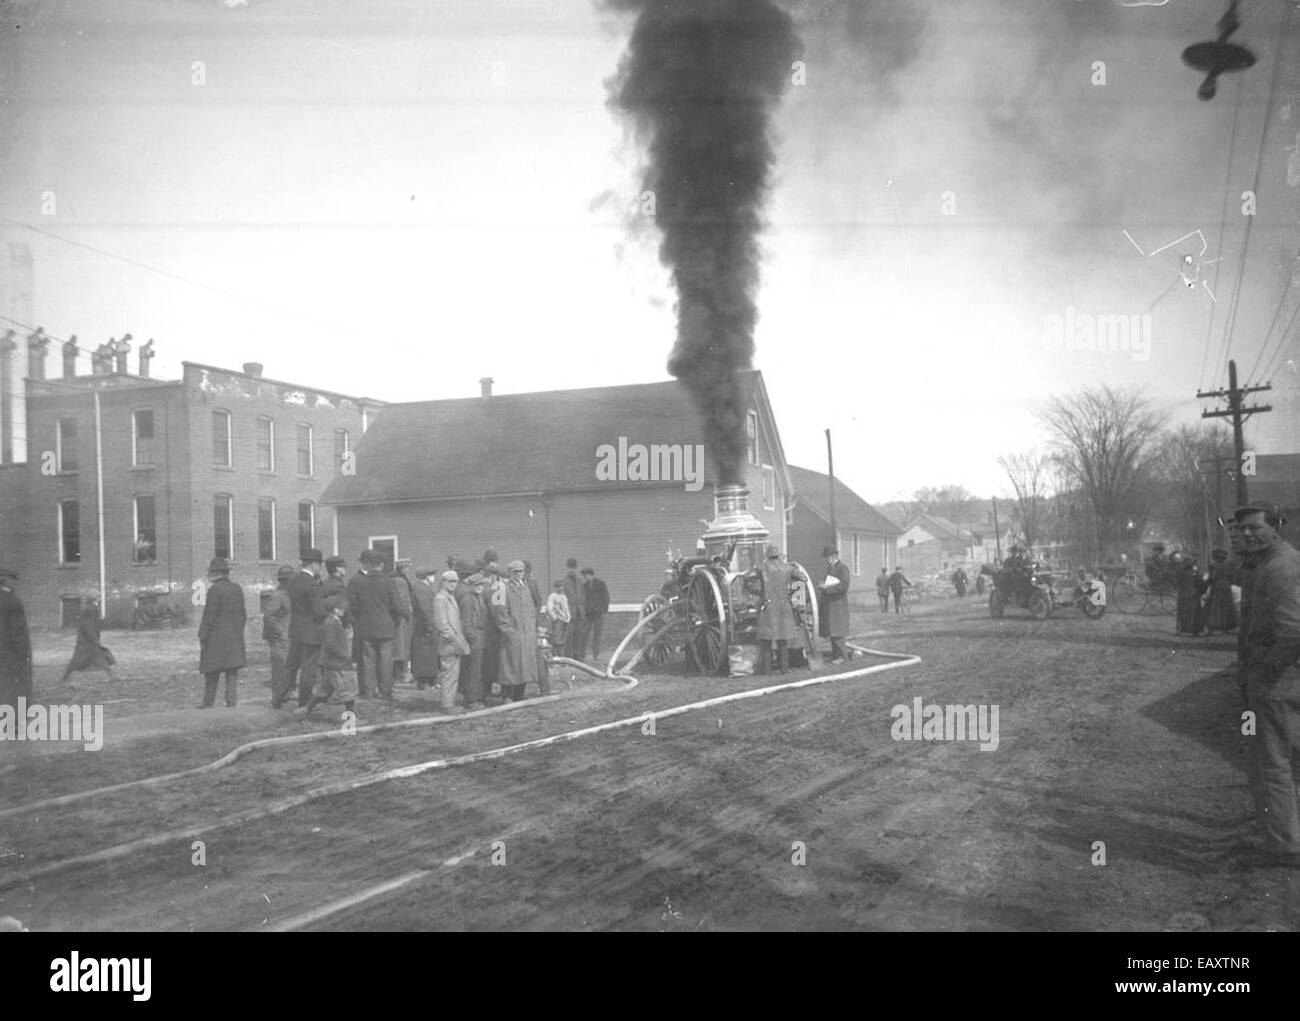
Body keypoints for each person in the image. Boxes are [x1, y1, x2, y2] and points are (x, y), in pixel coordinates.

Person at [1234, 503, 1300, 868]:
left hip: (1276, 684)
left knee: (1272, 763)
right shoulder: (1273, 563)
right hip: (1278, 680)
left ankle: (1284, 844)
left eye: (1255, 527)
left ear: (1276, 527)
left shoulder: (1278, 567)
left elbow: (1292, 631)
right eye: (1242, 529)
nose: (1247, 534)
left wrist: (1266, 668)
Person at [349, 548, 409, 701]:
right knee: (386, 660)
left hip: (366, 627)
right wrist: (403, 616)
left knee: (368, 660)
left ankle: (369, 692)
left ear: (368, 564)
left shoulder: (357, 581)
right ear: (381, 564)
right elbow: (397, 605)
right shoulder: (388, 581)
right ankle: (386, 691)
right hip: (386, 627)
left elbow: (353, 606)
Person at [277, 548, 325, 709]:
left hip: (296, 630)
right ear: (314, 565)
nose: (320, 569)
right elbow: (318, 611)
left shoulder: (293, 581)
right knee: (308, 669)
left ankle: (278, 697)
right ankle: (304, 702)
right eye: (319, 565)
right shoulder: (312, 584)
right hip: (312, 633)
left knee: (290, 666)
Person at [298, 595, 357, 720]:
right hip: (338, 664)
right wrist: (344, 655)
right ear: (335, 610)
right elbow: (331, 644)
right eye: (341, 608)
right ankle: (351, 719)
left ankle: (305, 710)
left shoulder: (332, 621)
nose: (344, 610)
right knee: (348, 690)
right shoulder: (332, 623)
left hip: (331, 663)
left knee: (323, 689)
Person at [198, 557, 246, 708]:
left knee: (212, 674)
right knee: (232, 673)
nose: (209, 575)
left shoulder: (214, 590)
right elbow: (243, 615)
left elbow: (209, 616)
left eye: (211, 572)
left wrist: (203, 635)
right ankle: (232, 704)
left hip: (216, 641)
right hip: (234, 639)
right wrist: (237, 632)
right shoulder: (237, 588)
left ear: (218, 573)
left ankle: (208, 705)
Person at [494, 560, 539, 702]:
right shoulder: (501, 588)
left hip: (527, 635)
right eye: (516, 572)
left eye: (521, 571)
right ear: (510, 573)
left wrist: (532, 629)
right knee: (509, 666)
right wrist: (510, 632)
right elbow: (500, 614)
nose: (519, 574)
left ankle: (520, 694)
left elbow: (532, 610)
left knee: (524, 666)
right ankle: (506, 694)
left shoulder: (526, 588)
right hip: (512, 635)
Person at [434, 570, 472, 713]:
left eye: (455, 581)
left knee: (453, 675)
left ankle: (450, 702)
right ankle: (447, 705)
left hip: (454, 643)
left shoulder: (450, 597)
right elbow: (442, 626)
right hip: (448, 643)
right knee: (449, 675)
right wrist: (457, 641)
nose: (452, 584)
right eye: (449, 581)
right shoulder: (441, 599)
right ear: (443, 582)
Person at [757, 543, 798, 674]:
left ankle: (767, 670)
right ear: (778, 555)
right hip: (783, 606)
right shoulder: (787, 568)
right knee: (782, 639)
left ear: (767, 555)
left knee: (766, 641)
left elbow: (756, 587)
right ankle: (784, 669)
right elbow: (802, 577)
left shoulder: (762, 568)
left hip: (768, 607)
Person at [61, 595, 117, 682]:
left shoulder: (91, 607)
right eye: (98, 596)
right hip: (86, 641)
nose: (100, 598)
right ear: (94, 598)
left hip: (89, 639)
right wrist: (94, 639)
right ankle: (65, 678)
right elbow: (88, 626)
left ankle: (112, 676)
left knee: (101, 656)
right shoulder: (91, 609)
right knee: (77, 660)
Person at [0, 566, 32, 709]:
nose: (16, 584)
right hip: (9, 654)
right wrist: (25, 652)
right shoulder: (12, 601)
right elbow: (18, 631)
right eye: (13, 580)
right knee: (11, 685)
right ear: (5, 580)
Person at [459, 573, 489, 710]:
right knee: (473, 670)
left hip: (481, 635)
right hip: (475, 638)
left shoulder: (479, 598)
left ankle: (479, 696)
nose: (480, 587)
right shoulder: (468, 600)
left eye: (481, 585)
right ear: (471, 586)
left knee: (479, 669)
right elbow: (466, 623)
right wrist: (472, 637)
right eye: (477, 585)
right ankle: (472, 699)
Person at [263, 565, 293, 696]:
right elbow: (269, 617)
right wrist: (280, 633)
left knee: (288, 667)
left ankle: (286, 692)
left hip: (288, 637)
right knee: (280, 668)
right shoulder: (277, 596)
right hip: (279, 639)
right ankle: (278, 697)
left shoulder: (288, 594)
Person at [818, 545, 851, 663]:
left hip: (838, 605)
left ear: (834, 556)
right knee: (833, 632)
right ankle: (836, 655)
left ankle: (842, 657)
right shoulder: (830, 568)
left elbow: (843, 586)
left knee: (838, 632)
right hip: (830, 605)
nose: (826, 559)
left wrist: (826, 588)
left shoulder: (843, 568)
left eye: (827, 557)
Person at [409, 568, 440, 691]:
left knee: (429, 655)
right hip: (424, 628)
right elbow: (425, 609)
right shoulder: (421, 589)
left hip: (425, 627)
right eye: (431, 575)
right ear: (426, 576)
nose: (433, 577)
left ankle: (430, 681)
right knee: (424, 656)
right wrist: (430, 626)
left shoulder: (422, 588)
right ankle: (424, 682)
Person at [392, 559, 416, 686]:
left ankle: (400, 673)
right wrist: (408, 613)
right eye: (407, 567)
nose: (409, 570)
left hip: (400, 617)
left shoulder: (397, 579)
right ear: (403, 568)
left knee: (401, 647)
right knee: (402, 647)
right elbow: (403, 599)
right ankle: (402, 674)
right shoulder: (400, 580)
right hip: (403, 619)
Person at [1203, 548, 1238, 634]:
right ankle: (1225, 628)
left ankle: (1211, 628)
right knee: (1226, 606)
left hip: (1216, 587)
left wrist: (1208, 583)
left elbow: (1212, 578)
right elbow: (1233, 578)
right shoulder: (1228, 566)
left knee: (1214, 607)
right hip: (1226, 588)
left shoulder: (1213, 566)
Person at [581, 566, 610, 661]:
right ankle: (582, 655)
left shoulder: (601, 584)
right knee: (585, 634)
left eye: (585, 576)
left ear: (590, 575)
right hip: (588, 614)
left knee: (597, 635)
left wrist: (603, 610)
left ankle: (596, 655)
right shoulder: (584, 586)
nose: (584, 578)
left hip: (599, 613)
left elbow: (606, 597)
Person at [1173, 552, 1206, 636]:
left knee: (1184, 611)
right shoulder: (1196, 572)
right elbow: (1201, 583)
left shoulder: (1181, 571)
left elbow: (1177, 582)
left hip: (1185, 593)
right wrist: (1201, 592)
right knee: (1193, 612)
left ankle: (1180, 630)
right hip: (1193, 593)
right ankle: (1195, 631)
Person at [562, 557, 586, 660]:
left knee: (579, 635)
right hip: (569, 613)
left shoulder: (579, 580)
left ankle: (577, 655)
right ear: (566, 568)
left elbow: (583, 595)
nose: (572, 570)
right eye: (570, 568)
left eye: (573, 568)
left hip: (579, 612)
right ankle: (568, 656)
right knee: (569, 636)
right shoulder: (564, 581)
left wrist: (582, 608)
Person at [545, 580, 570, 654]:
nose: (560, 588)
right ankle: (555, 656)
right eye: (558, 587)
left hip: (564, 620)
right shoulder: (552, 596)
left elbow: (566, 608)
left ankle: (561, 657)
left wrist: (568, 617)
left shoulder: (564, 597)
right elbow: (549, 608)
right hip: (557, 621)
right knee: (556, 639)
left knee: (563, 639)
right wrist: (554, 617)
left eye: (562, 587)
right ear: (555, 588)